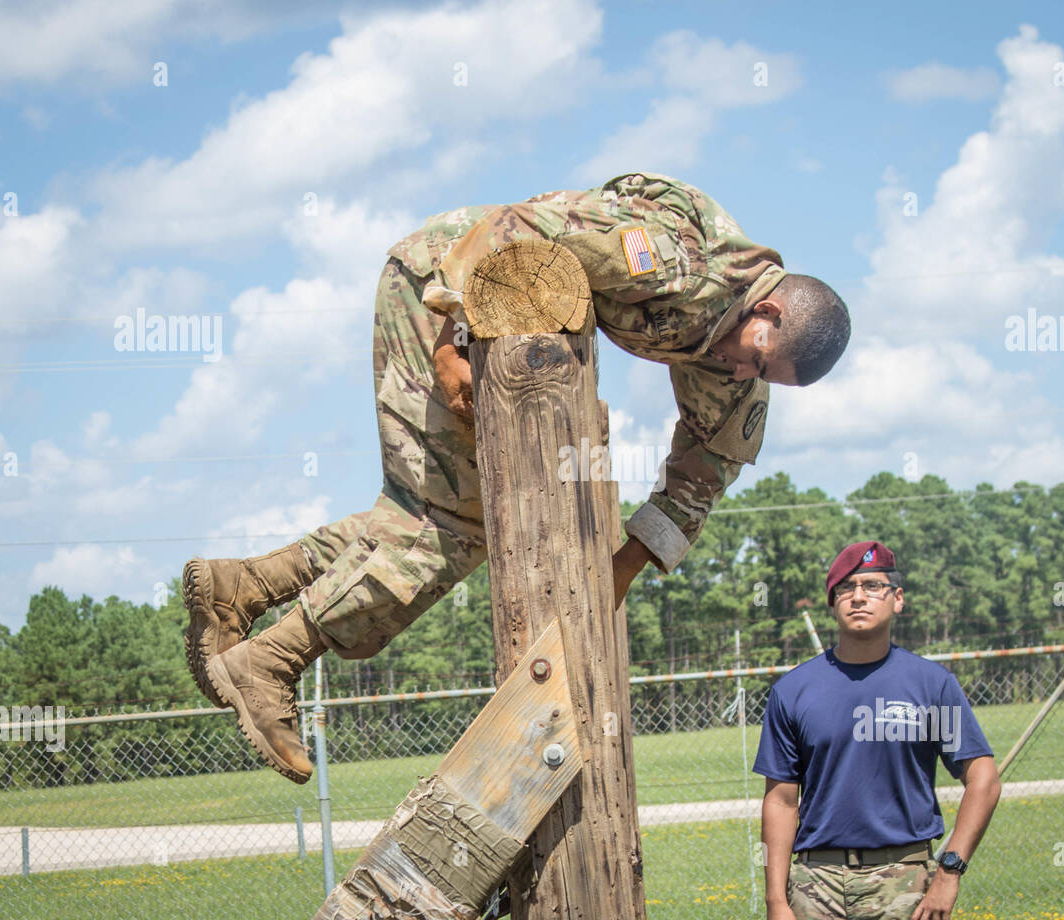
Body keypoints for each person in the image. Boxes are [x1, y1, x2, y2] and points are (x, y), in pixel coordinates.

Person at [182, 172, 852, 784]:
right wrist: (455, 335)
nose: (743, 376)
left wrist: (618, 570)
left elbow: (705, 475)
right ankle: (272, 660)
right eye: (758, 362)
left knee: (425, 515)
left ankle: (245, 587)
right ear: (767, 312)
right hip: (442, 282)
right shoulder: (675, 259)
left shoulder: (736, 361)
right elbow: (519, 229)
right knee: (455, 528)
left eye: (761, 379)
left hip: (491, 310)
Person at [753, 541, 1002, 920]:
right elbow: (782, 802)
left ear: (897, 599)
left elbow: (983, 780)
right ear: (832, 604)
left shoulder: (931, 685)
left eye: (872, 586)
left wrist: (949, 872)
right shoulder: (794, 690)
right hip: (815, 885)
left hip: (905, 884)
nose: (858, 597)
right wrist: (776, 901)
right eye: (845, 589)